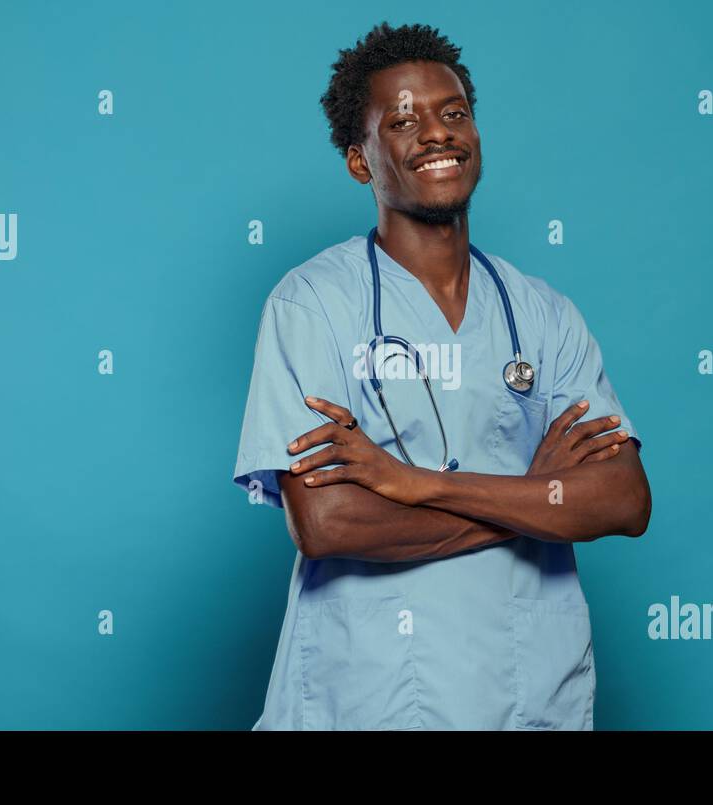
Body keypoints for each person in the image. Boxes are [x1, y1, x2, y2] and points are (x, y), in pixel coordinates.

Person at [233, 22, 651, 730]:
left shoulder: (542, 313)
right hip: (369, 692)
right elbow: (328, 522)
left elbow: (621, 501)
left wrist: (418, 483)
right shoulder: (311, 305)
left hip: (527, 690)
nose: (436, 133)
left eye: (453, 112)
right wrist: (533, 498)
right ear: (359, 161)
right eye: (402, 120)